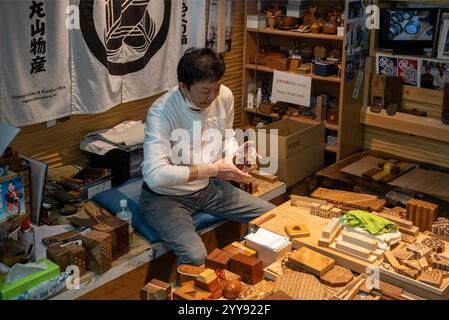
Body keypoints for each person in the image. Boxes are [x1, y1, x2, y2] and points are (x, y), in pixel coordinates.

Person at [139, 47, 275, 266]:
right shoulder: (162, 111)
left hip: (207, 188)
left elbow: (227, 136)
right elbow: (154, 175)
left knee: (273, 218)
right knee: (196, 256)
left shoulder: (225, 96)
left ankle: (245, 268)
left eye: (216, 88)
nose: (212, 97)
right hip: (165, 197)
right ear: (183, 87)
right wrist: (214, 170)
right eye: (204, 91)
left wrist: (235, 156)